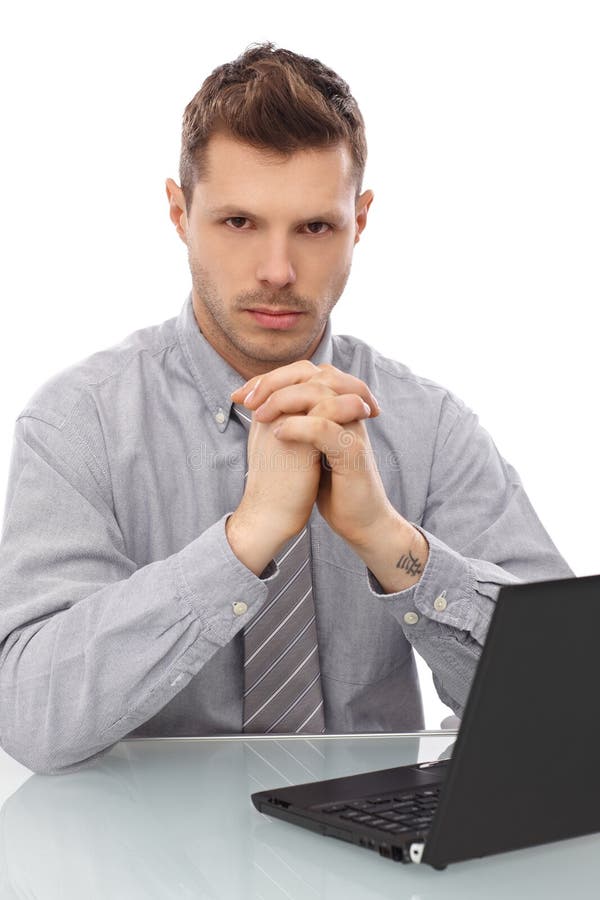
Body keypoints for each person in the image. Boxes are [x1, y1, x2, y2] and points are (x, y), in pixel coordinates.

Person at [0, 42, 573, 775]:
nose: (277, 271)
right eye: (239, 223)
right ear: (179, 213)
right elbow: (29, 717)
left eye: (315, 227)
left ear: (359, 221)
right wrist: (245, 540)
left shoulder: (429, 427)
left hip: (379, 876)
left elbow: (569, 705)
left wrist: (393, 546)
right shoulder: (80, 424)